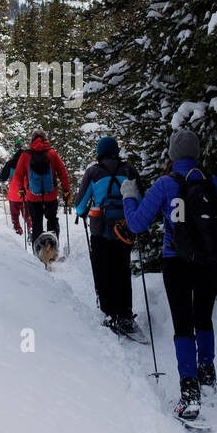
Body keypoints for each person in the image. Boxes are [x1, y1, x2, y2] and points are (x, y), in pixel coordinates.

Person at [121, 128, 217, 421]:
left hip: (176, 260)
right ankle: (207, 377)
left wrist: (129, 196)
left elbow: (138, 224)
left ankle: (189, 394)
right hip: (208, 261)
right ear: (197, 152)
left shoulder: (166, 183)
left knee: (183, 324)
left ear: (172, 153)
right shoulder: (212, 182)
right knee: (203, 318)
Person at [74, 136, 141, 336]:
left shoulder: (93, 172)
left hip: (100, 230)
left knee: (103, 270)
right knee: (122, 269)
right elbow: (141, 199)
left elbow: (79, 207)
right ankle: (126, 314)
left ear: (99, 152)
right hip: (125, 229)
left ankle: (110, 313)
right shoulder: (129, 170)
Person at [12, 129, 70, 247]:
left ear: (32, 140)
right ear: (45, 139)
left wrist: (21, 189)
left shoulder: (25, 155)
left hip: (32, 196)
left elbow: (18, 175)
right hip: (51, 194)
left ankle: (37, 252)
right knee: (52, 219)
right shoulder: (52, 153)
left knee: (36, 223)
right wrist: (66, 190)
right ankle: (52, 247)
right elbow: (63, 173)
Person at [0, 138, 27, 235]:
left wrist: (1, 178)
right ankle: (31, 230)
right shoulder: (27, 163)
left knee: (15, 215)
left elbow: (2, 177)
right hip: (26, 194)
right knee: (27, 215)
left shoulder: (10, 163)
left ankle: (18, 230)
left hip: (14, 193)